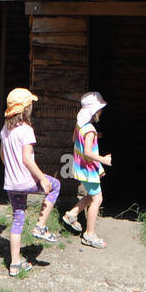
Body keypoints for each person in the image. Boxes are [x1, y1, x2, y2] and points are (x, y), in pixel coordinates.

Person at [0, 87, 60, 276]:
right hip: (26, 181)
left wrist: (11, 169)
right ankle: (40, 226)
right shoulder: (26, 130)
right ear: (26, 109)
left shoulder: (5, 130)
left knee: (18, 219)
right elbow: (27, 159)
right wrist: (41, 178)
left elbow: (2, 154)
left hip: (11, 183)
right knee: (55, 185)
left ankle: (15, 264)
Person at [61, 91, 112, 248]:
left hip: (80, 167)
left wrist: (93, 138)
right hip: (88, 169)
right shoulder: (89, 130)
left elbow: (74, 139)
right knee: (98, 199)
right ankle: (89, 234)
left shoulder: (80, 126)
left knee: (92, 195)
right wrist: (103, 159)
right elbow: (88, 152)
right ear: (95, 111)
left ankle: (72, 214)